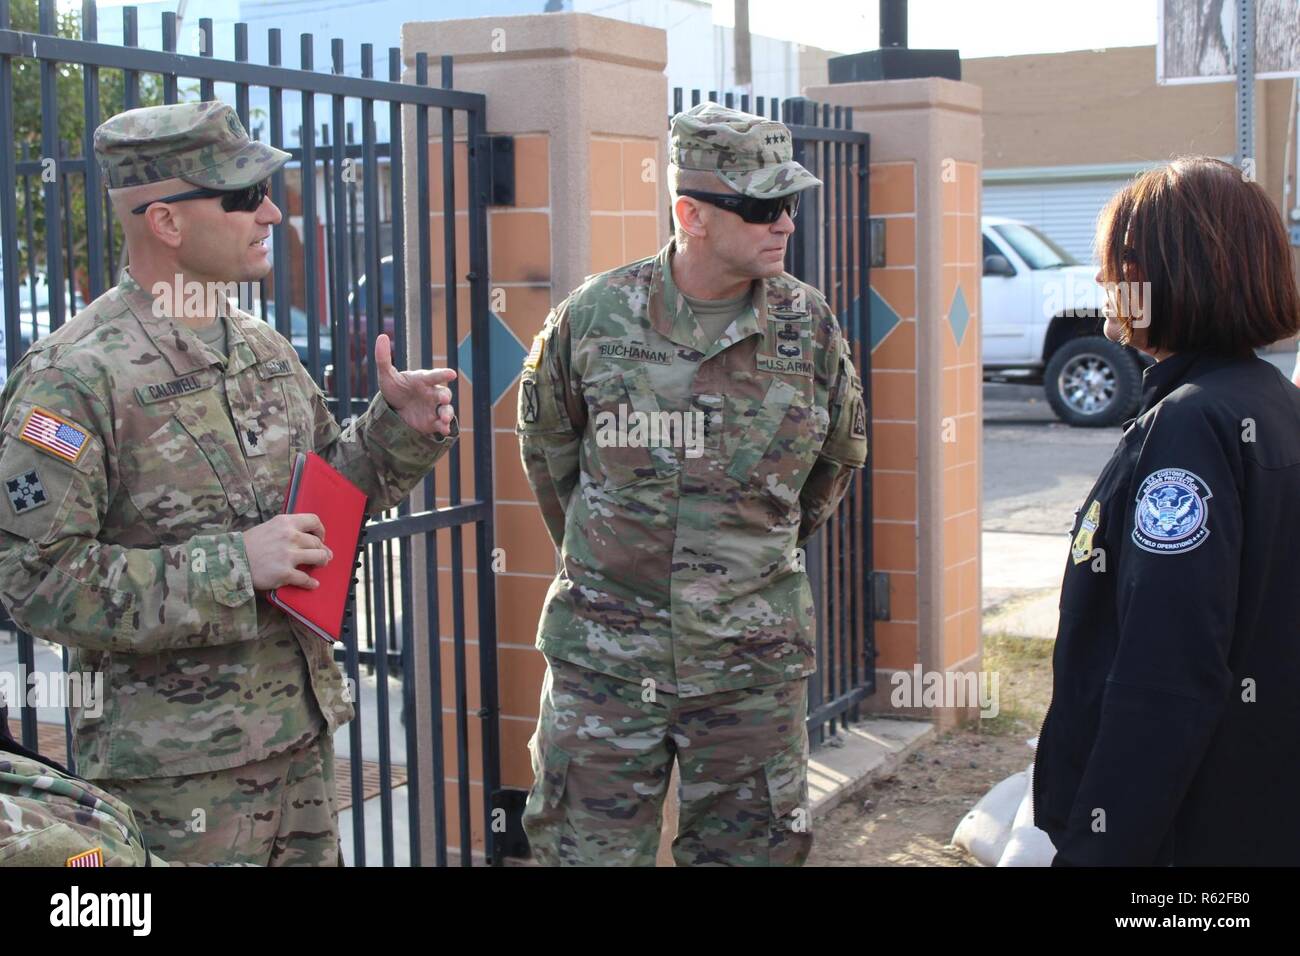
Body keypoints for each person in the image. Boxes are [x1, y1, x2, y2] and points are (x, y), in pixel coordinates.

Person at [0, 101, 459, 865]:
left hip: (301, 746)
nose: (272, 213)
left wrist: (396, 432)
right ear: (166, 223)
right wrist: (233, 565)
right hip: (175, 780)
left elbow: (325, 501)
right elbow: (34, 580)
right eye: (244, 197)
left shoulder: (261, 346)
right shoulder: (74, 378)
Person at [515, 102, 868, 866]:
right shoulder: (597, 317)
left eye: (790, 204)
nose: (785, 224)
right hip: (606, 662)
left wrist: (744, 560)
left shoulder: (808, 327)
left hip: (751, 666)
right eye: (762, 207)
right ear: (692, 213)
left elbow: (835, 463)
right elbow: (550, 459)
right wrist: (616, 559)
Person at [1034, 155, 1300, 865]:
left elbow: (1166, 674)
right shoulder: (1269, 402)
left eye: (1118, 262)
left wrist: (1096, 847)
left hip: (1189, 836)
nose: (1103, 282)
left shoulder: (1191, 426)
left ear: (1170, 272)